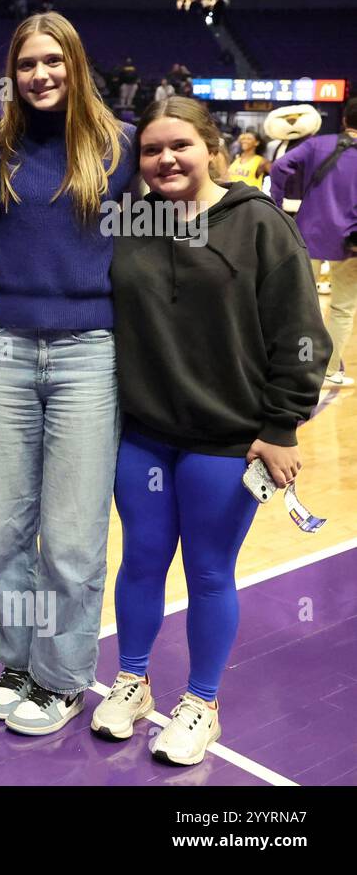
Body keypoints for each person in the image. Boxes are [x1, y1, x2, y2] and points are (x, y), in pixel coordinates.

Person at [95, 95, 330, 766]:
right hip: (143, 433)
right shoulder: (131, 220)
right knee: (140, 559)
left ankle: (201, 703)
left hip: (226, 440)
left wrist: (282, 425)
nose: (165, 160)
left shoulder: (256, 222)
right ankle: (133, 681)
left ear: (211, 148)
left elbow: (303, 335)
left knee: (207, 571)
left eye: (180, 147)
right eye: (151, 151)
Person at [0, 12, 135, 735]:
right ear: (12, 73)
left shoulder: (120, 149)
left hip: (87, 356)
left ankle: (65, 679)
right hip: (7, 349)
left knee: (70, 537)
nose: (39, 76)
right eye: (26, 64)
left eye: (52, 62)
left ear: (75, 64)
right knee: (7, 533)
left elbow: (172, 237)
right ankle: (16, 662)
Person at [270, 97, 357, 387]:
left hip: (307, 233)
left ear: (344, 119)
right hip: (350, 243)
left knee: (298, 305)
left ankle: (298, 364)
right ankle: (329, 369)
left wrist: (277, 206)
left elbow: (279, 167)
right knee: (342, 309)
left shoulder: (318, 144)